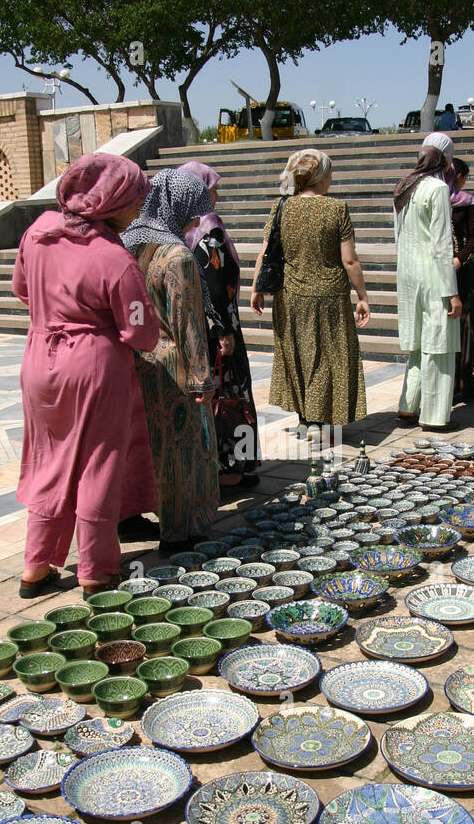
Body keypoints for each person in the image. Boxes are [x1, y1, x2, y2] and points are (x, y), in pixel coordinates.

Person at [12, 153, 159, 599]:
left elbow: (21, 289)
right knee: (98, 462)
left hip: (40, 360)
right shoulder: (113, 257)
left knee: (49, 460)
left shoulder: (37, 232)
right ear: (111, 202)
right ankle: (96, 570)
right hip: (93, 366)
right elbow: (141, 333)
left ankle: (36, 566)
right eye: (134, 200)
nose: (138, 209)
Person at [122, 169, 220, 553]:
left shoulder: (127, 245)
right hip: (173, 367)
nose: (198, 219)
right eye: (196, 209)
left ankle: (135, 519)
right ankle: (179, 533)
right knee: (180, 452)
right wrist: (202, 379)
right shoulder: (176, 256)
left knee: (148, 449)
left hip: (137, 361)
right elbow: (189, 324)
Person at [251, 148, 370, 444]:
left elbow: (265, 252)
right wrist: (363, 296)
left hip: (289, 294)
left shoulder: (281, 207)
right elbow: (350, 260)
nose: (332, 178)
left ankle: (306, 419)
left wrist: (255, 288)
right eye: (329, 173)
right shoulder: (336, 208)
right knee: (325, 356)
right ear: (320, 177)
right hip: (329, 295)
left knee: (298, 354)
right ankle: (316, 420)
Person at [180, 160, 260, 491]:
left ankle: (223, 464)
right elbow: (217, 283)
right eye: (212, 188)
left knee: (223, 398)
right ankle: (231, 467)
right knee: (232, 397)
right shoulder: (209, 230)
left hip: (205, 326)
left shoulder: (186, 227)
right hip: (220, 327)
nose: (217, 194)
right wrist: (225, 329)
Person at [393, 132, 462, 431]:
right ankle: (433, 415)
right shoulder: (436, 189)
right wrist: (451, 291)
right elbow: (441, 244)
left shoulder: (404, 186)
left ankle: (409, 406)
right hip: (433, 277)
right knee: (438, 345)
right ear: (445, 161)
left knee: (419, 345)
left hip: (408, 275)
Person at [450, 157, 474, 401]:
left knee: (464, 329)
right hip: (438, 273)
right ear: (459, 176)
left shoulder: (465, 203)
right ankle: (450, 383)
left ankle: (465, 379)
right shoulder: (434, 198)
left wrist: (459, 259)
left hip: (461, 275)